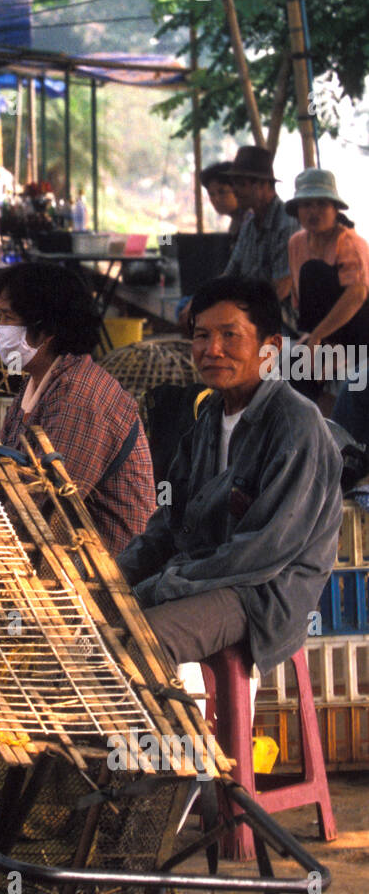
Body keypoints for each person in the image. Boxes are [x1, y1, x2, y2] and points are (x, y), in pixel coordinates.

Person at [119, 276, 341, 675]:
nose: (212, 350)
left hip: (262, 592)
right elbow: (169, 526)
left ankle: (170, 738)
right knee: (97, 621)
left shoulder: (296, 425)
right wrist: (115, 575)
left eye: (229, 335)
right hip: (206, 575)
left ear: (270, 348)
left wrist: (164, 584)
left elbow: (263, 552)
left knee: (142, 642)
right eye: (201, 335)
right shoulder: (207, 420)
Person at [0, 261, 156, 555]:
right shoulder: (39, 381)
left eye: (7, 317)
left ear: (45, 331)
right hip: (63, 550)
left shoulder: (78, 396)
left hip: (107, 569)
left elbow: (49, 504)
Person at [178, 148, 297, 332]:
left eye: (241, 184)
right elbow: (230, 274)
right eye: (234, 184)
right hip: (249, 315)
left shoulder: (287, 223)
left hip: (279, 321)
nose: (235, 190)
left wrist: (237, 312)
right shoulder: (249, 225)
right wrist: (198, 301)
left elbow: (281, 289)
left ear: (263, 185)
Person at [284, 168, 369, 412]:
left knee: (314, 270)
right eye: (307, 204)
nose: (313, 211)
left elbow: (357, 295)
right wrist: (311, 336)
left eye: (321, 204)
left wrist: (319, 335)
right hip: (319, 331)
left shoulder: (349, 242)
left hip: (356, 328)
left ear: (334, 209)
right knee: (296, 373)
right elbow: (302, 296)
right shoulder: (296, 243)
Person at [199, 160, 245, 245]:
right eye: (211, 194)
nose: (216, 199)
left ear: (237, 190)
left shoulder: (249, 222)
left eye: (222, 192)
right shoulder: (236, 222)